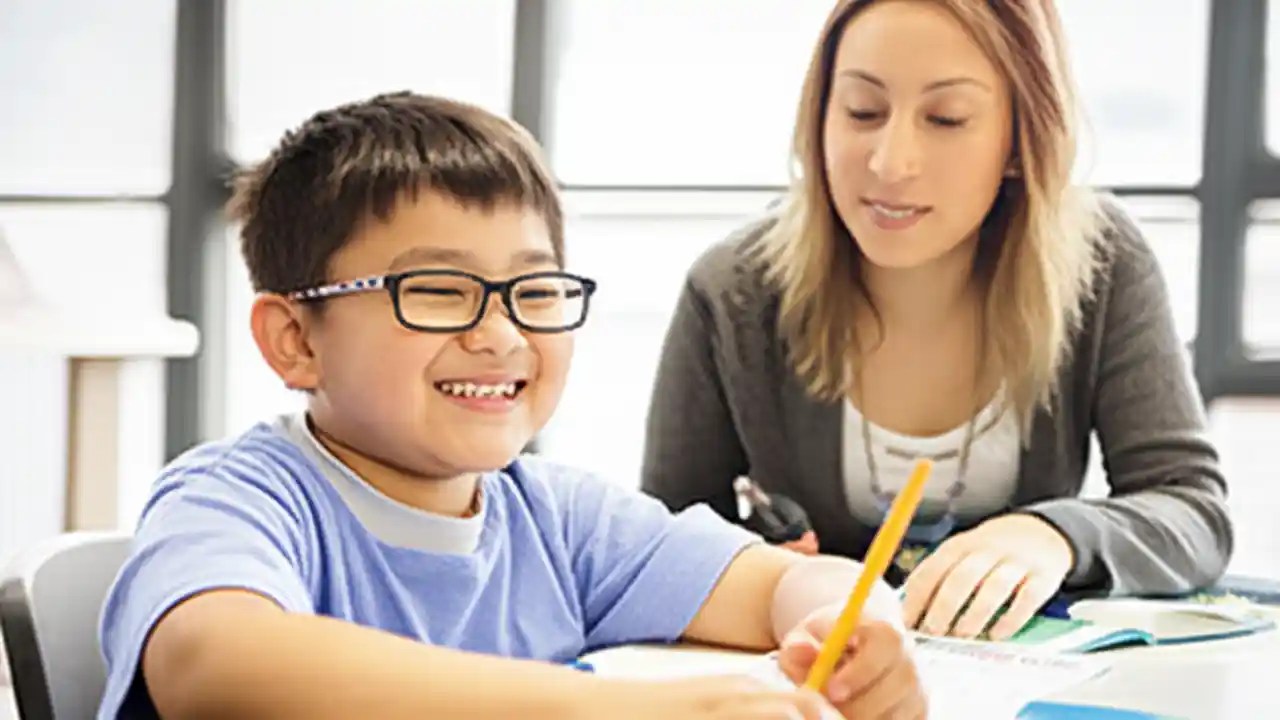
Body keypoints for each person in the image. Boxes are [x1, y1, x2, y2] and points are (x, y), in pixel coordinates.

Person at [95, 91, 926, 720]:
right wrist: (631, 710)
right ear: (295, 340)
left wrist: (856, 634)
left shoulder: (557, 519)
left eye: (531, 289)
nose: (500, 334)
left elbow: (793, 581)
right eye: (439, 291)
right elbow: (214, 663)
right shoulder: (242, 496)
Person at [641, 0, 1232, 644]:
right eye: (862, 112)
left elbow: (1192, 511)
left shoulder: (1100, 262)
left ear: (1019, 139)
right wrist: (772, 578)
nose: (892, 163)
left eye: (947, 119)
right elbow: (660, 548)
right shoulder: (733, 291)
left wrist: (1053, 534)